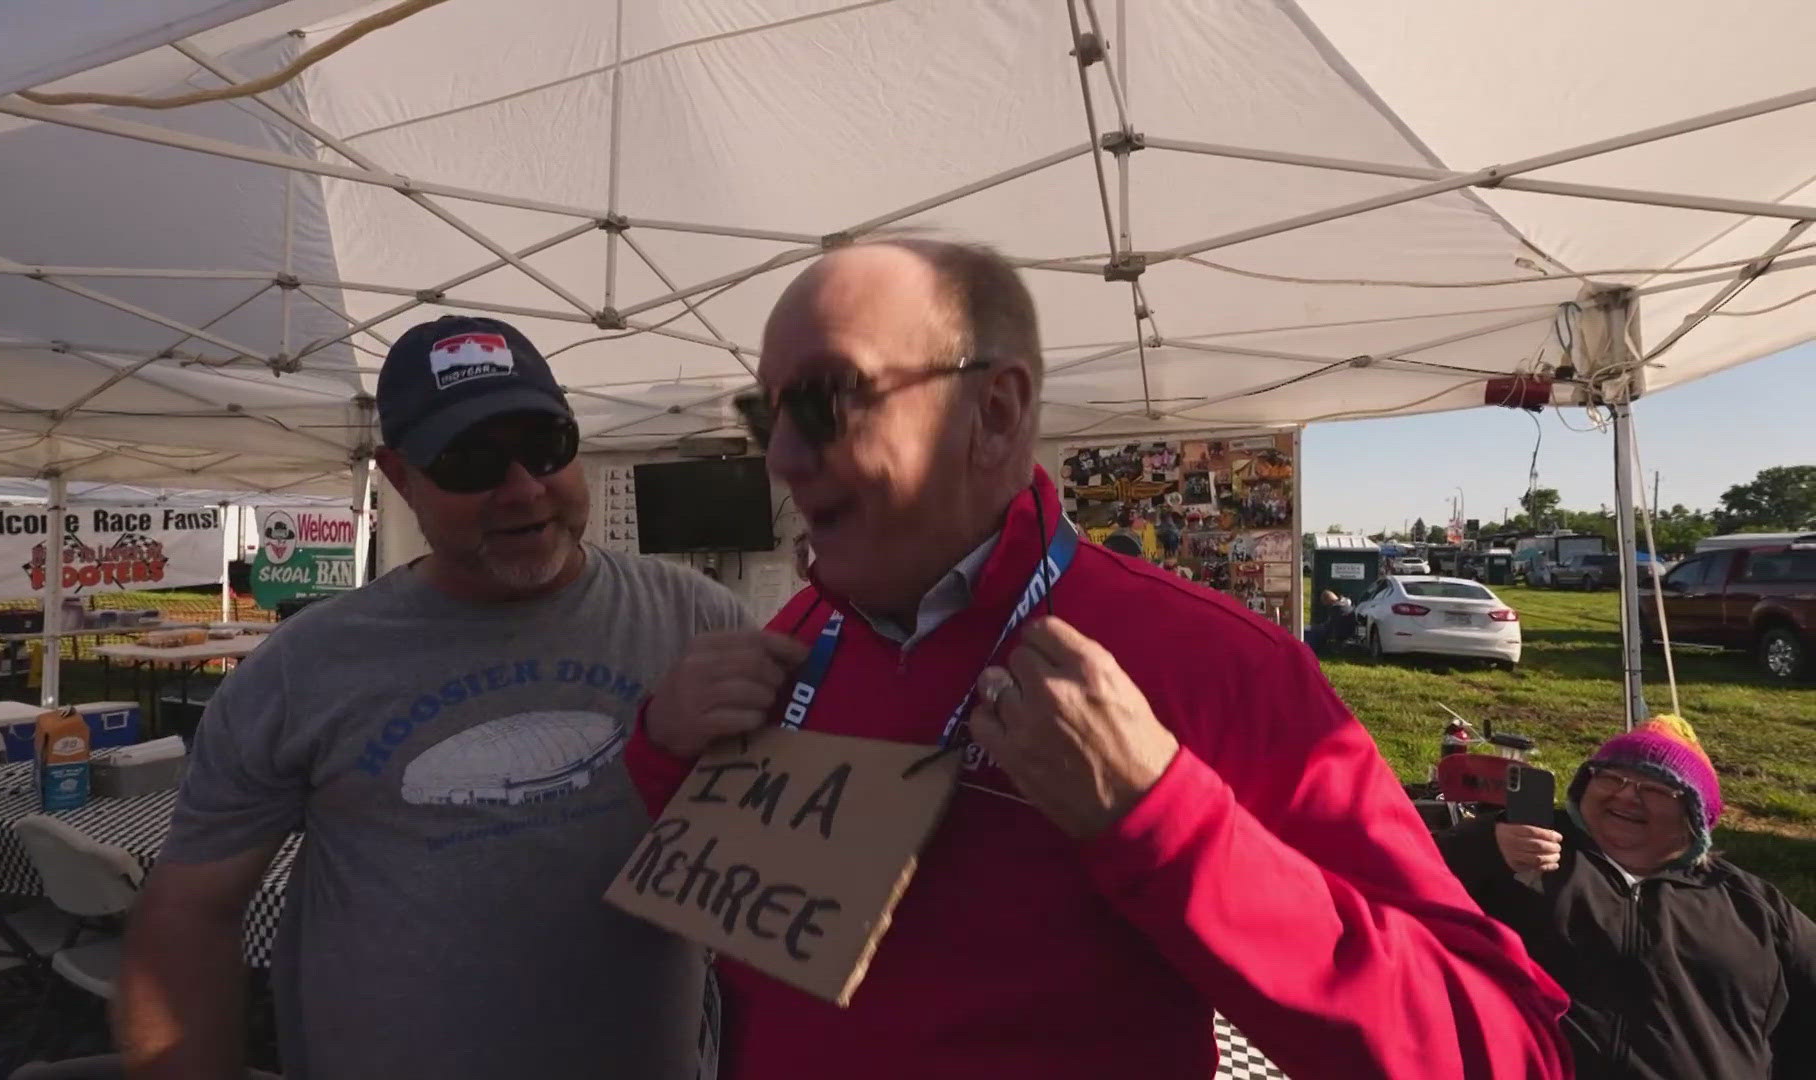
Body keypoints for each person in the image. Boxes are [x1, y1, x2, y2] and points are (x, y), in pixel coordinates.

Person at [626, 238, 1571, 1078]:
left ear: (996, 412)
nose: (781, 460)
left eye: (827, 404)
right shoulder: (797, 636)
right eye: (767, 417)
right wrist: (666, 756)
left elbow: (1504, 1053)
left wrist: (1167, 824)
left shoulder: (1213, 662)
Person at [119, 316, 749, 1079]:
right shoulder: (303, 667)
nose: (523, 489)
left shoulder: (696, 620)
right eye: (470, 460)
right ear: (399, 476)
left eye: (547, 445)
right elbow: (189, 914)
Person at [1439, 717, 1815, 1078]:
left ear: (1694, 816)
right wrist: (1481, 847)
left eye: (1654, 788)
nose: (1626, 795)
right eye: (1611, 778)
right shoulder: (1522, 852)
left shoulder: (1752, 904)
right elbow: (1415, 882)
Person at [1305, 588, 1357, 654]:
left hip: (1341, 633)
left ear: (1327, 600)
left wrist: (1317, 627)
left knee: (1312, 631)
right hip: (1349, 631)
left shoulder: (1336, 609)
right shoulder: (1346, 604)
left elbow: (1330, 626)